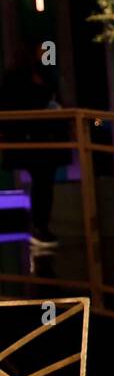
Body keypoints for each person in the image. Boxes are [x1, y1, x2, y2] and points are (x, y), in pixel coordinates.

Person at [0, 49, 67, 251]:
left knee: (45, 183)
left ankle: (41, 225)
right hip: (30, 138)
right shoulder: (16, 80)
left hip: (47, 139)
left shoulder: (48, 76)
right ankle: (40, 226)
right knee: (42, 182)